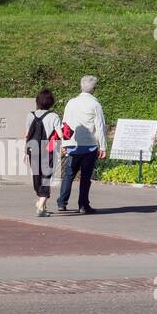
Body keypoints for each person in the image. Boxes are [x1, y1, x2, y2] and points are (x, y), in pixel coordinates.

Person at [57, 75, 108, 214]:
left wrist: (64, 143)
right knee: (85, 177)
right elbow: (100, 126)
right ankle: (83, 205)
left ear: (81, 86)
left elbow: (65, 124)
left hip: (72, 144)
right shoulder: (95, 104)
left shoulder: (71, 102)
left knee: (68, 174)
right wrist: (102, 146)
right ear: (94, 89)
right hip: (89, 146)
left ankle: (62, 202)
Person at [24, 89, 62, 217]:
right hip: (47, 150)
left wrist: (25, 151)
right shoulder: (54, 116)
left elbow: (27, 134)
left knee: (37, 176)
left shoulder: (30, 115)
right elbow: (60, 135)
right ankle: (41, 204)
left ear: (37, 101)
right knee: (46, 176)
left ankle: (42, 202)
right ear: (51, 102)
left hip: (32, 148)